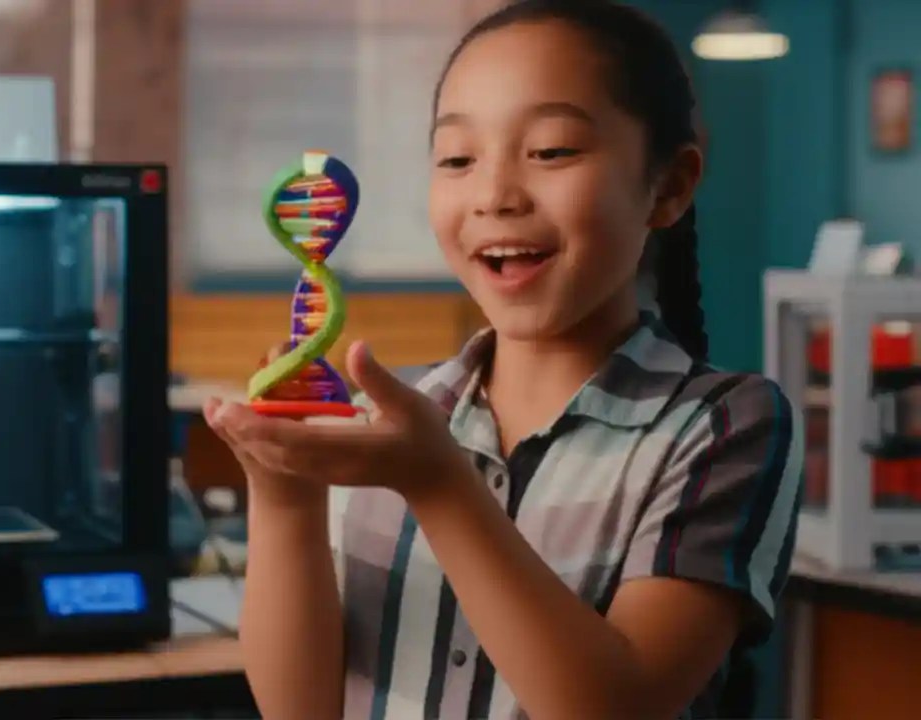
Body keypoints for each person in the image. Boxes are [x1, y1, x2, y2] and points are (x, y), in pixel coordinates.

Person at [202, 1, 803, 718]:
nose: (494, 195)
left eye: (551, 151)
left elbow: (617, 706)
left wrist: (439, 485)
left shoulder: (726, 429)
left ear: (668, 186)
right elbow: (300, 708)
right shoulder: (377, 421)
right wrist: (283, 495)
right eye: (457, 159)